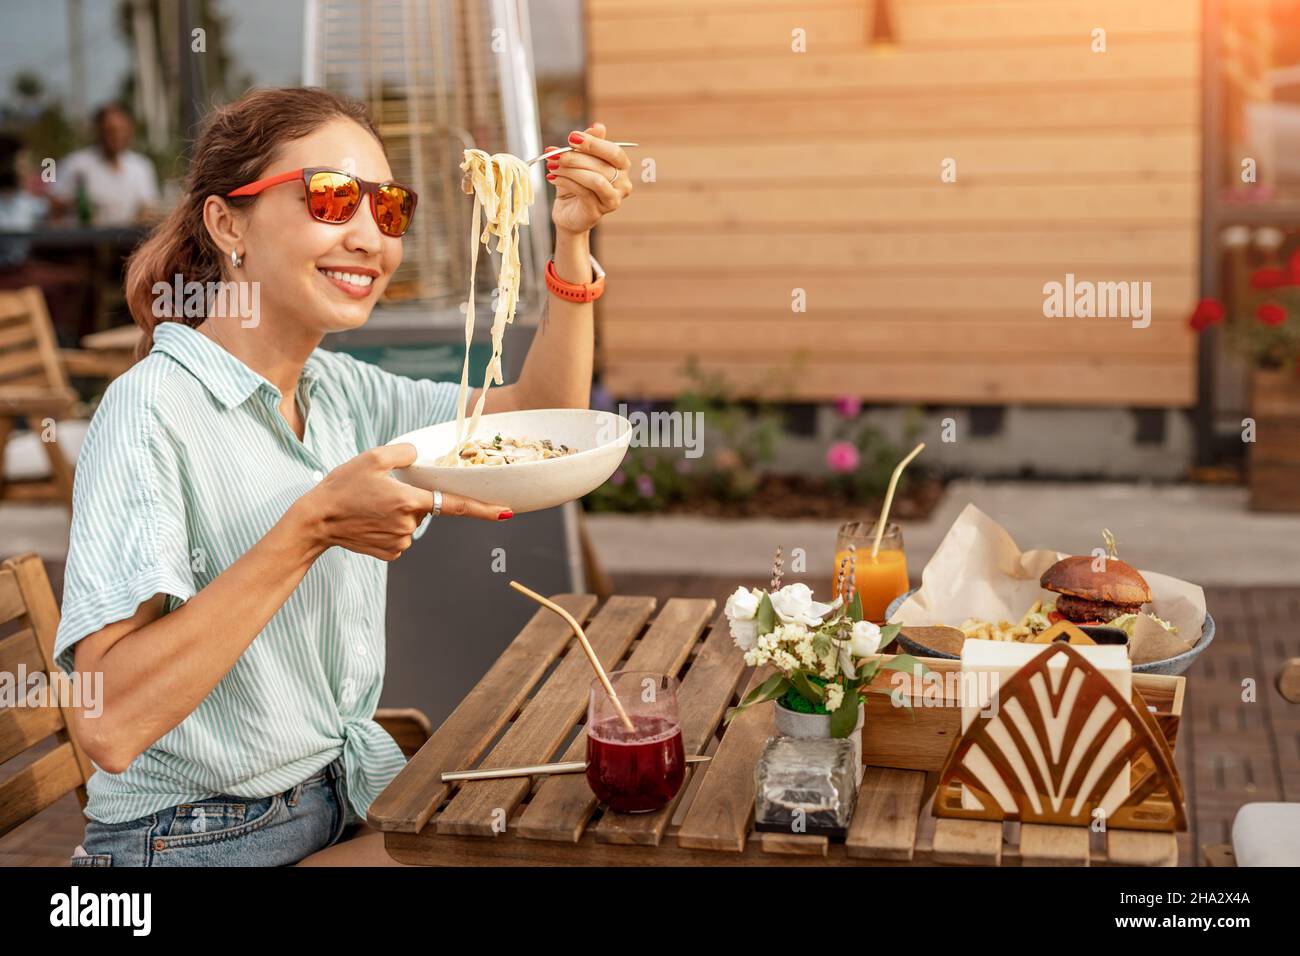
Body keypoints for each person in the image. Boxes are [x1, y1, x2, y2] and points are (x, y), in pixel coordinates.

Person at [54, 86, 632, 866]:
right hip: (196, 842)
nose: (370, 238)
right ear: (228, 224)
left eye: (388, 209)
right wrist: (309, 529)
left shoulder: (339, 389)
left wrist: (570, 244)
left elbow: (541, 418)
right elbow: (107, 725)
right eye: (330, 199)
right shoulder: (149, 410)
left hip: (343, 801)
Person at [48, 102, 160, 226]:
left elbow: (148, 209)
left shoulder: (141, 166)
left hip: (125, 241)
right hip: (83, 242)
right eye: (111, 130)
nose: (117, 135)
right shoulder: (76, 164)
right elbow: (55, 205)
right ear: (99, 130)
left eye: (123, 129)